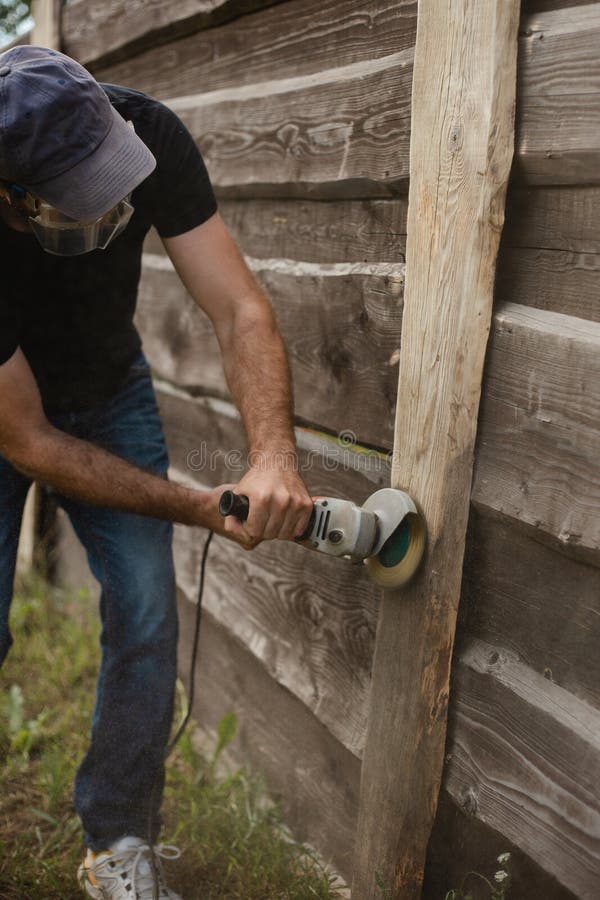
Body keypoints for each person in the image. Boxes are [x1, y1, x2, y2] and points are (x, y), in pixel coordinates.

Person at [0, 45, 313, 899]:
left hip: (107, 386)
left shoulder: (147, 133)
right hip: (8, 405)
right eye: (79, 200)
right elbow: (25, 438)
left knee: (144, 609)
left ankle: (119, 847)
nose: (114, 205)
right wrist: (200, 503)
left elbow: (238, 306)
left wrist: (272, 457)